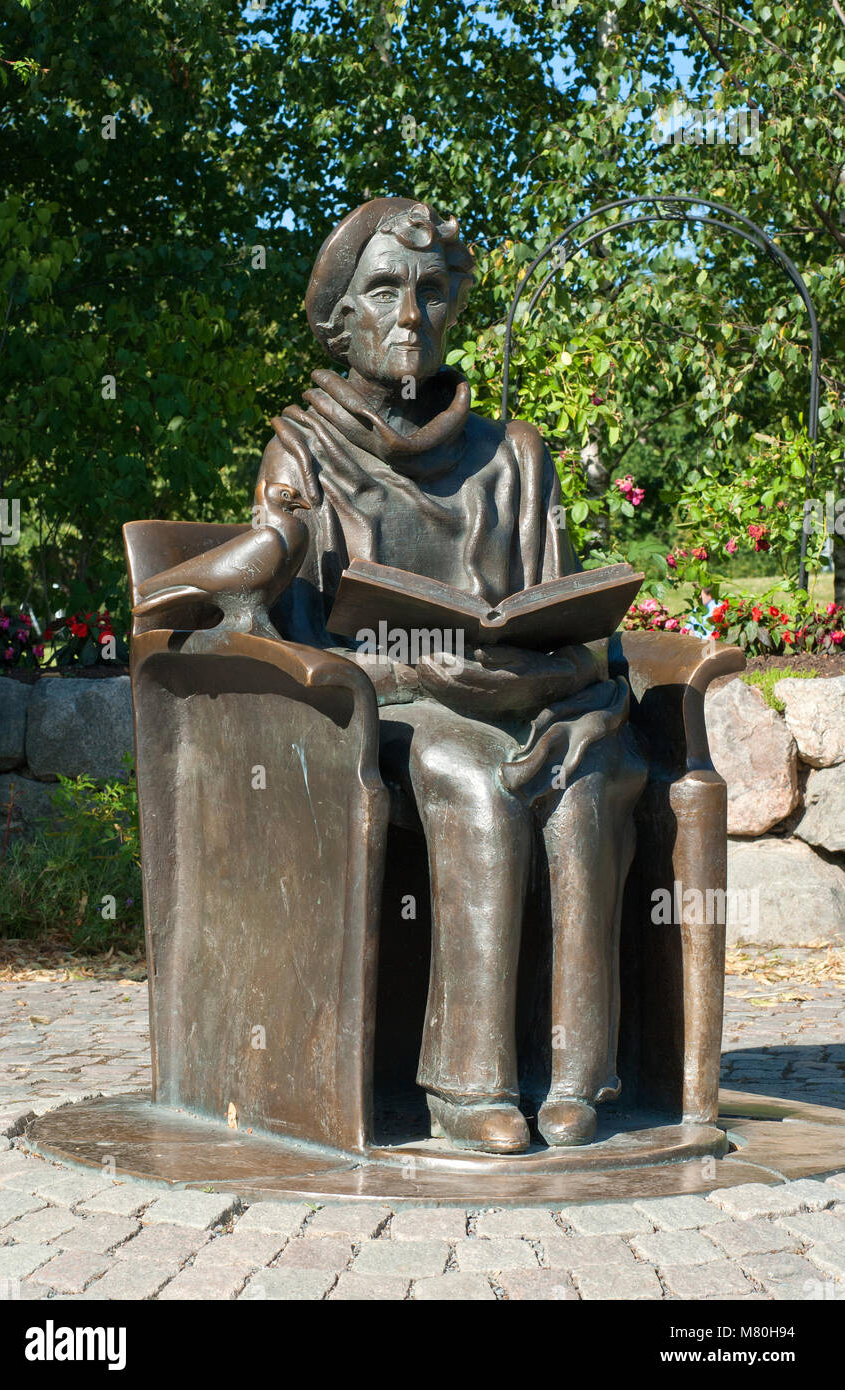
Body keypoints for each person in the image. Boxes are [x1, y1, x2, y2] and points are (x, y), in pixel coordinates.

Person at [258, 198, 647, 1154]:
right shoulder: (303, 453)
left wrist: (555, 675)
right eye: (384, 290)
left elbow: (571, 617)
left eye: (432, 292)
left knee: (587, 779)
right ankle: (469, 1089)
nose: (409, 315)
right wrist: (412, 671)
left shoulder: (514, 457)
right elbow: (286, 640)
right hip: (387, 721)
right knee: (472, 778)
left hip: (536, 700)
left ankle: (577, 1075)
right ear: (339, 317)